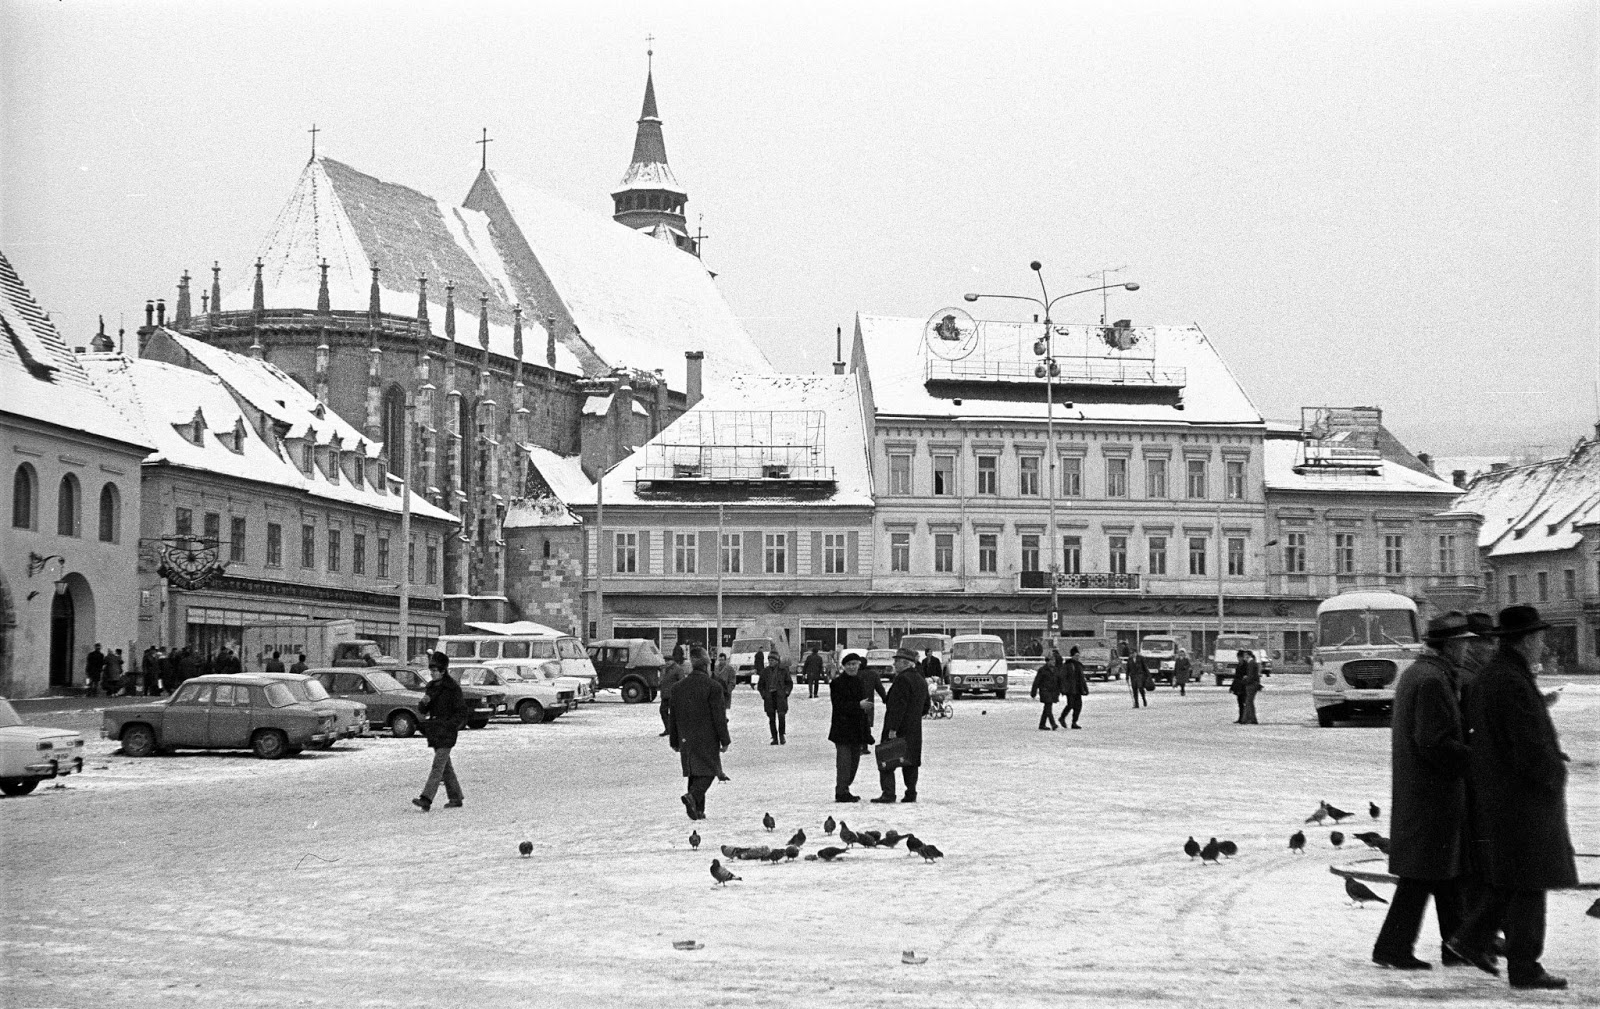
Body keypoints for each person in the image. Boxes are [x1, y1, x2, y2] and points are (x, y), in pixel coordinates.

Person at [1446, 606, 1576, 991]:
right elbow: (1526, 745)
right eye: (1538, 638)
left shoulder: (1496, 677)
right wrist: (1552, 771)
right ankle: (1523, 964)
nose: (1542, 645)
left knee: (1514, 883)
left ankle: (1472, 941)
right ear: (1524, 640)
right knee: (1529, 883)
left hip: (1504, 796)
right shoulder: (1510, 681)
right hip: (1522, 800)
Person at [1371, 612, 1478, 971]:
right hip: (1432, 795)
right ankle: (1393, 948)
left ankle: (1457, 946)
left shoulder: (1420, 673)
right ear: (1448, 646)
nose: (1467, 650)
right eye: (1463, 643)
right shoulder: (1432, 681)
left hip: (1423, 793)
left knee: (1444, 875)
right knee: (1422, 877)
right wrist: (1475, 760)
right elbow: (1434, 742)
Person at [668, 649, 730, 820]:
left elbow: (672, 716)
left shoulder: (678, 688)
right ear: (706, 665)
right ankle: (692, 798)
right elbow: (719, 716)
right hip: (707, 737)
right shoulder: (713, 687)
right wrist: (725, 740)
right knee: (710, 770)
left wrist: (673, 739)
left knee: (695, 773)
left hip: (686, 737)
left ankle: (698, 810)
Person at [412, 651, 468, 812]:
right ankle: (456, 797)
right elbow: (424, 710)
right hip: (435, 731)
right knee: (445, 767)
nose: (432, 673)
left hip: (447, 732)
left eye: (435, 670)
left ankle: (426, 798)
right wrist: (423, 703)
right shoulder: (431, 687)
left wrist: (451, 725)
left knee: (438, 765)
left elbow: (461, 712)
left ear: (443, 671)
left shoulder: (452, 689)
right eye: (431, 671)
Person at [874, 647, 930, 803]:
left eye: (896, 661)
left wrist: (893, 728)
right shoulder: (920, 679)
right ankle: (911, 792)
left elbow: (897, 707)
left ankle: (888, 793)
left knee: (887, 758)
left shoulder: (902, 680)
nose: (894, 664)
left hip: (898, 728)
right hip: (914, 728)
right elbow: (926, 705)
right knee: (911, 761)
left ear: (905, 663)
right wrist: (914, 716)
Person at [828, 652, 873, 803]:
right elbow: (839, 706)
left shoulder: (860, 681)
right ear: (844, 667)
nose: (852, 667)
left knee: (854, 763)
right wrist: (858, 705)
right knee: (844, 763)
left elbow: (863, 709)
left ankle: (845, 788)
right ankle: (841, 792)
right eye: (849, 665)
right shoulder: (837, 683)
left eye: (855, 664)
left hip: (856, 729)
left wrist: (867, 731)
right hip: (842, 729)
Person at [759, 653, 794, 744]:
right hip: (769, 697)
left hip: (780, 696)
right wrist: (764, 694)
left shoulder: (783, 671)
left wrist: (786, 692)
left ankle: (781, 735)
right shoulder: (765, 671)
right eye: (769, 660)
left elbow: (789, 683)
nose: (770, 662)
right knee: (771, 718)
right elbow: (760, 685)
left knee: (781, 716)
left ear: (777, 661)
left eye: (772, 660)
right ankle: (774, 737)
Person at [657, 645, 688, 737]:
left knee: (675, 713)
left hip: (674, 696)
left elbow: (682, 682)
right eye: (665, 661)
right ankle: (668, 729)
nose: (666, 663)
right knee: (663, 711)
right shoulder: (664, 670)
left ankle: (677, 730)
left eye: (668, 661)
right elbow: (661, 681)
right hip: (665, 695)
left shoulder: (678, 669)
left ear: (672, 661)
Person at [1058, 646, 1088, 728]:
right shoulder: (1068, 665)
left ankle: (1074, 722)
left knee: (1078, 706)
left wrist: (1085, 688)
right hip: (1070, 689)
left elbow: (1082, 678)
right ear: (1072, 656)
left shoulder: (1079, 665)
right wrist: (1063, 688)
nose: (1078, 657)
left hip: (1078, 689)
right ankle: (1062, 718)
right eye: (1076, 656)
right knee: (1070, 704)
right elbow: (1062, 677)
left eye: (1078, 656)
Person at [1232, 650, 1262, 724]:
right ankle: (1249, 719)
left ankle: (1247, 719)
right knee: (1249, 702)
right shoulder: (1251, 663)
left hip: (1251, 685)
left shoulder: (1251, 663)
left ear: (1248, 655)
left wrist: (1245, 680)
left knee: (1248, 702)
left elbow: (1251, 676)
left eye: (1245, 656)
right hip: (1250, 684)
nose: (1244, 657)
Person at [1030, 656, 1060, 730]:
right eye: (1052, 660)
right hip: (1045, 691)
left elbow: (1059, 681)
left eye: (1054, 660)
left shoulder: (1056, 670)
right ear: (1047, 661)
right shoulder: (1042, 670)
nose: (1053, 662)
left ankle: (1042, 725)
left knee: (1046, 708)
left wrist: (1061, 690)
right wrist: (1033, 692)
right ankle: (1053, 724)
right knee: (1048, 708)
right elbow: (1036, 682)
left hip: (1053, 692)